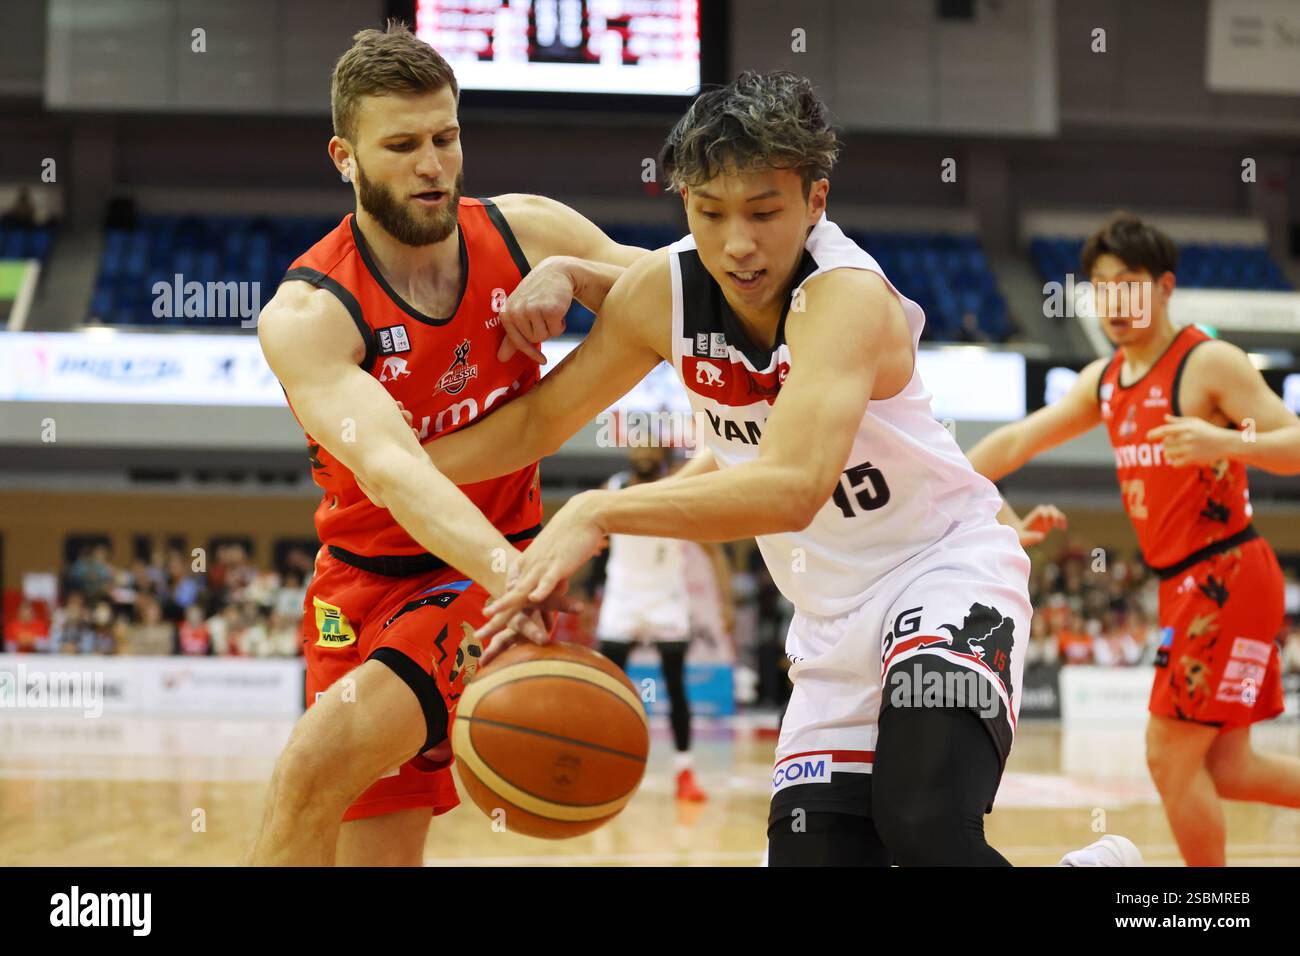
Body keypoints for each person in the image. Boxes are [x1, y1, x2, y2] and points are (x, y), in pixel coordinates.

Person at [404, 71, 1140, 867]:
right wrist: (384, 465)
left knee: (924, 822)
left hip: (942, 573)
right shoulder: (664, 293)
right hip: (828, 621)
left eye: (763, 212)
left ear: (816, 200)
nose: (737, 243)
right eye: (710, 212)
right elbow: (537, 421)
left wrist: (596, 511)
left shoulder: (845, 298)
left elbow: (792, 490)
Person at [244, 21, 645, 866]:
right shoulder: (311, 314)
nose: (432, 164)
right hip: (357, 582)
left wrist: (578, 276)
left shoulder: (527, 232)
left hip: (478, 570)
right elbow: (395, 473)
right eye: (401, 146)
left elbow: (678, 297)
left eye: (445, 137)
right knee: (372, 852)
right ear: (345, 157)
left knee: (308, 774)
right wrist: (519, 582)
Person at [965, 211, 1300, 866]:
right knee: (1229, 768)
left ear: (1164, 287)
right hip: (1187, 585)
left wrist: (1226, 441)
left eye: (1128, 285)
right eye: (1101, 288)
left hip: (1226, 574)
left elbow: (1294, 442)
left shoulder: (1208, 363)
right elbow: (1019, 439)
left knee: (1167, 752)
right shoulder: (1106, 380)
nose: (1114, 302)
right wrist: (951, 480)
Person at [591, 445, 726, 802]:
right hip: (623, 597)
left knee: (676, 685)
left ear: (663, 455)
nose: (645, 453)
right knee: (608, 688)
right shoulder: (613, 488)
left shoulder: (679, 489)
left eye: (651, 447)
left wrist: (725, 603)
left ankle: (684, 771)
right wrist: (587, 590)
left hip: (667, 598)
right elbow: (593, 542)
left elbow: (714, 551)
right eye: (640, 447)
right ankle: (603, 765)